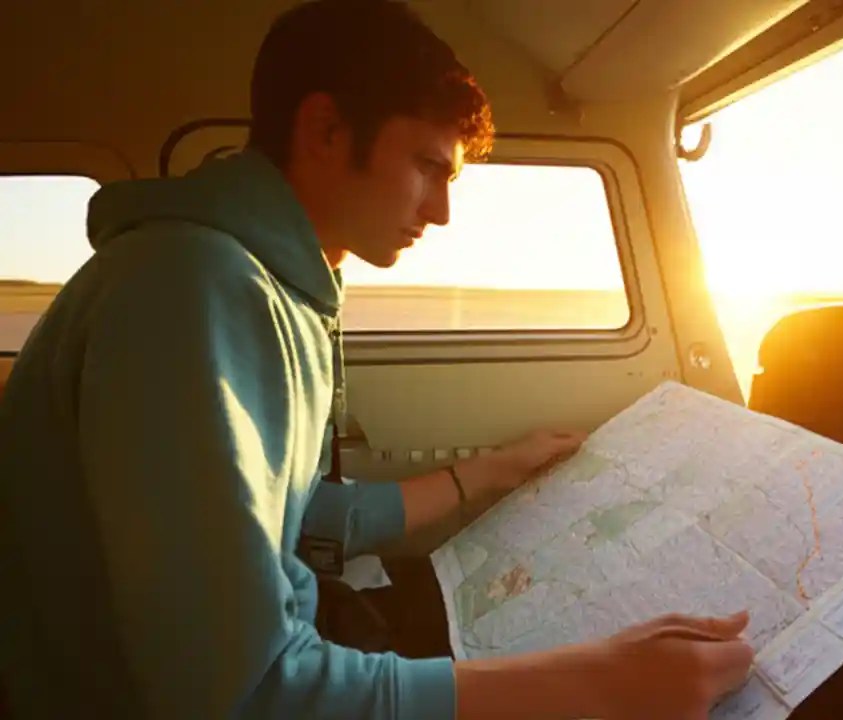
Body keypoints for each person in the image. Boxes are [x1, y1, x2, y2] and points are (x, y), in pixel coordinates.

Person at [0, 1, 755, 718]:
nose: (441, 211)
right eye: (427, 165)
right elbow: (248, 697)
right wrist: (599, 684)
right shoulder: (189, 288)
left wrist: (489, 472)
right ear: (326, 130)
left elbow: (296, 518)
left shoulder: (267, 285)